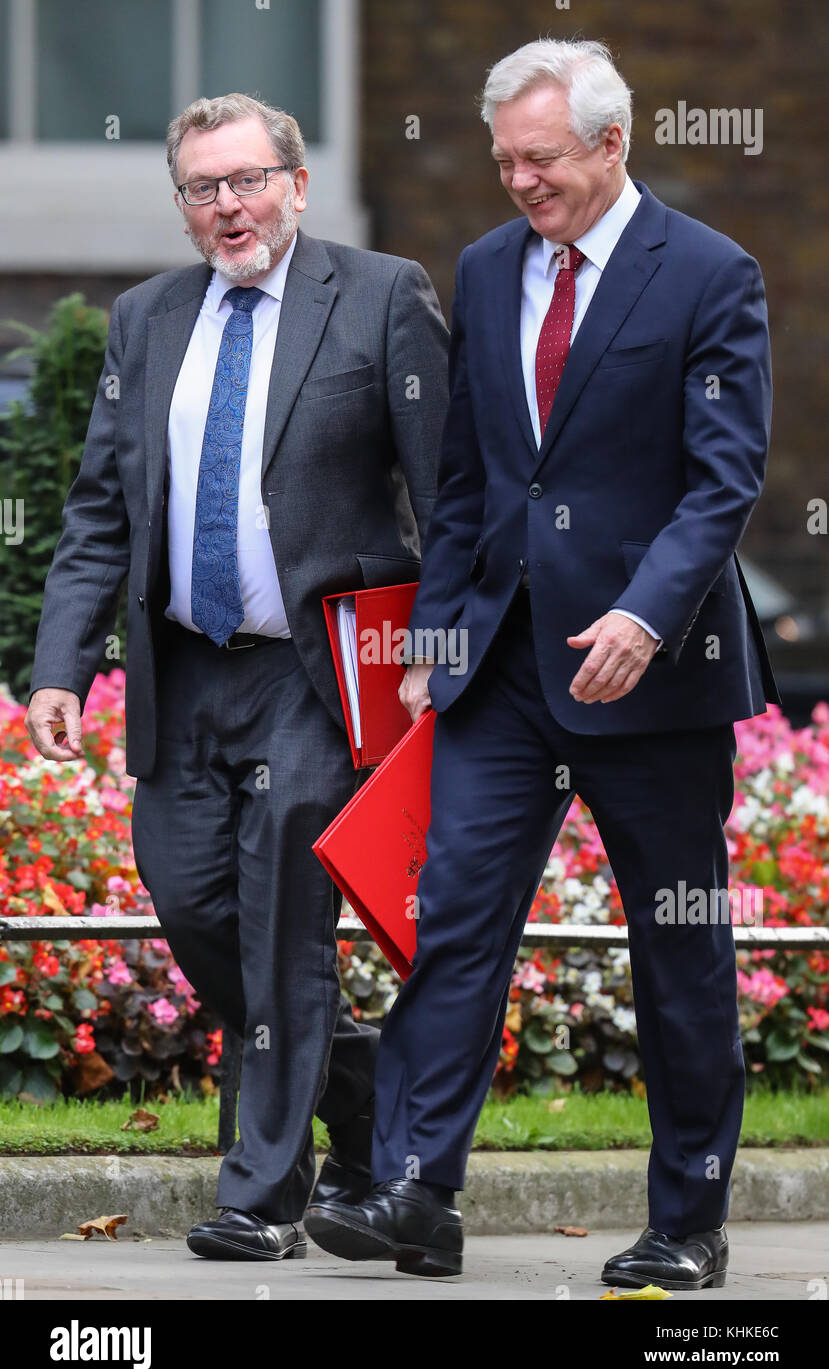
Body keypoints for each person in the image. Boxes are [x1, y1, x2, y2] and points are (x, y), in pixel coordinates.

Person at [305, 39, 779, 1286]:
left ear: (612, 144)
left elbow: (722, 478)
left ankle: (686, 1222)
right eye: (507, 157)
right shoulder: (485, 266)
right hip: (502, 672)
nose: (520, 180)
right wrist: (439, 637)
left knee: (676, 945)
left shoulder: (711, 274)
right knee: (455, 921)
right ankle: (419, 1189)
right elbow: (470, 478)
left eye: (544, 158)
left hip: (652, 675)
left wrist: (645, 614)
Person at [25, 93, 448, 1262]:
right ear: (182, 207)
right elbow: (102, 508)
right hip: (182, 675)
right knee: (195, 906)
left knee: (277, 936)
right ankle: (360, 1095)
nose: (229, 206)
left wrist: (438, 643)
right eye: (204, 189)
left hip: (313, 674)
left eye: (248, 180)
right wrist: (60, 665)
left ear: (297, 185)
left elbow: (449, 490)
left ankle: (262, 1199)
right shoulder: (148, 319)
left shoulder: (379, 295)